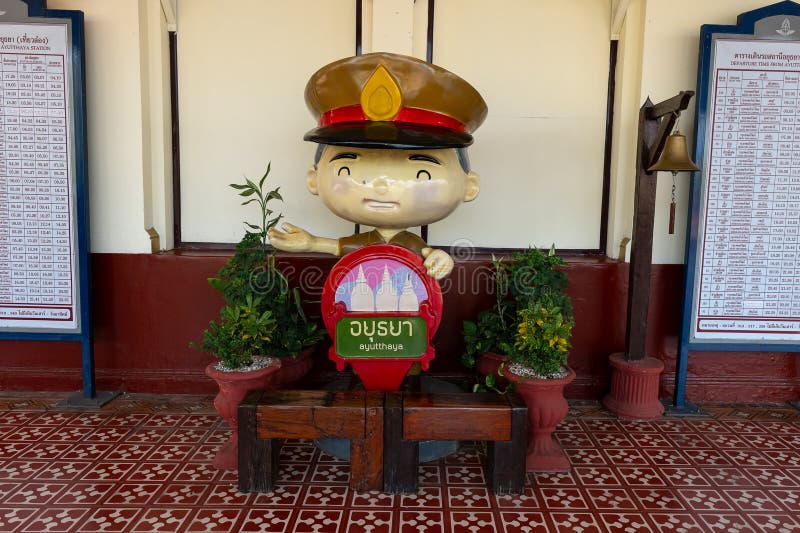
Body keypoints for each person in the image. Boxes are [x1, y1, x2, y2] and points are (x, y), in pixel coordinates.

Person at [268, 52, 487, 280]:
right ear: (313, 179)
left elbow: (428, 254)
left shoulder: (410, 244)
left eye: (422, 174)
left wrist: (441, 258)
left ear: (469, 186)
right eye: (347, 169)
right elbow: (342, 247)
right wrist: (311, 243)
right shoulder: (370, 241)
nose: (381, 185)